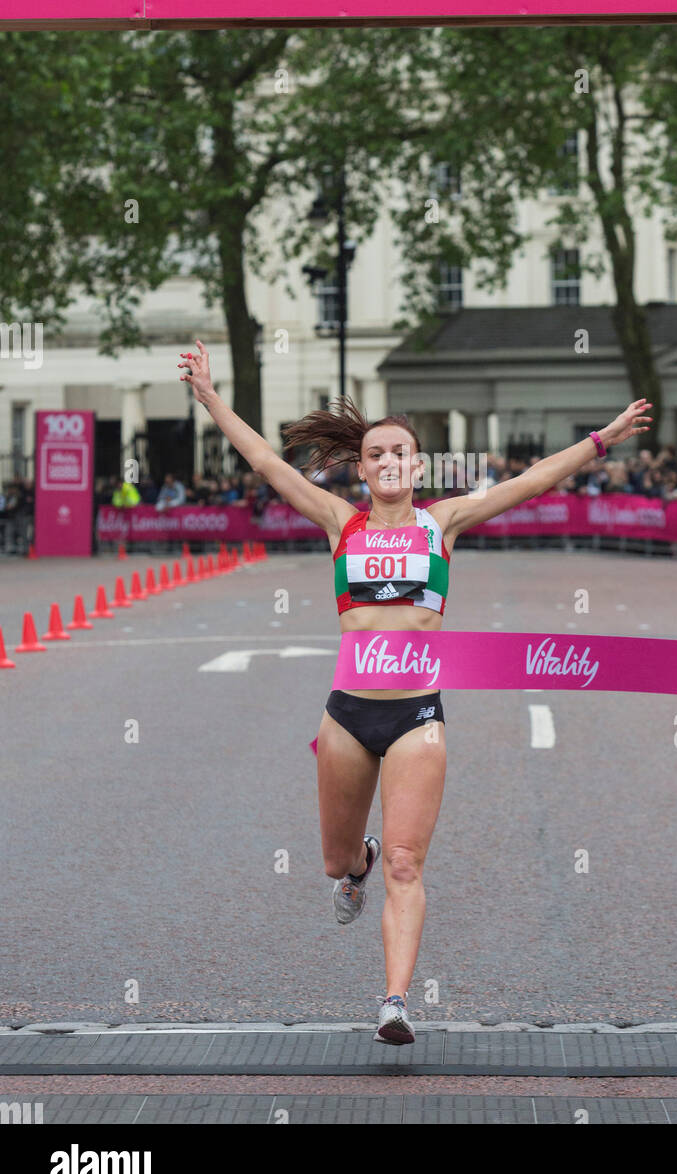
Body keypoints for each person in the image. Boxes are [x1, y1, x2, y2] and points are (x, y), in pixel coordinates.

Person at [178, 339, 652, 1044]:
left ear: (417, 464)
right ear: (363, 468)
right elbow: (267, 463)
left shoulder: (444, 522)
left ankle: (394, 1002)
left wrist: (599, 440)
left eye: (401, 451)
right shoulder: (342, 522)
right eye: (377, 454)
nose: (390, 462)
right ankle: (356, 864)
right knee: (341, 862)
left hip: (416, 717)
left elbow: (531, 481)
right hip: (346, 715)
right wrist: (212, 398)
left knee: (408, 862)